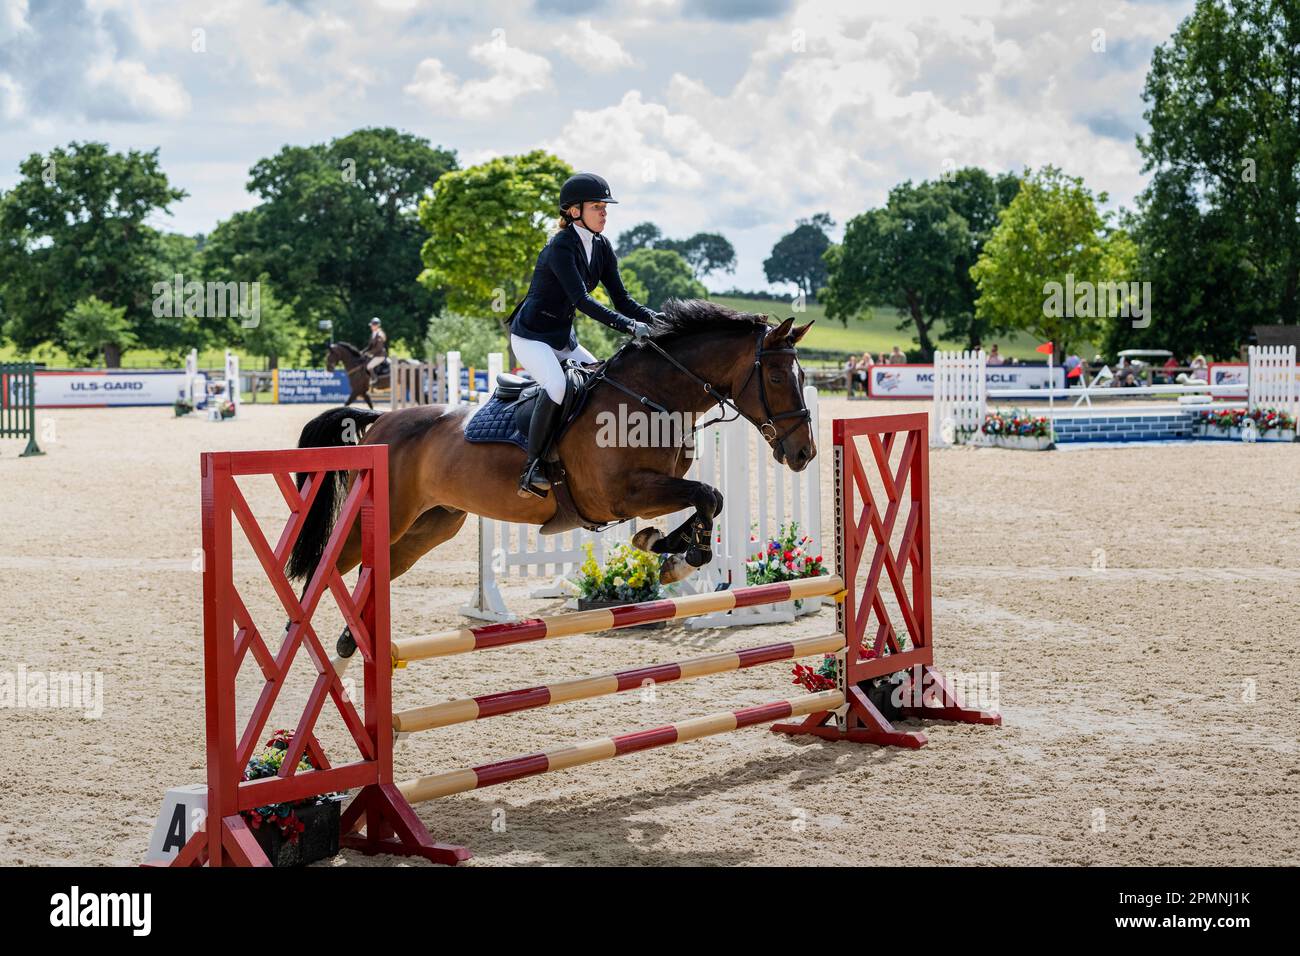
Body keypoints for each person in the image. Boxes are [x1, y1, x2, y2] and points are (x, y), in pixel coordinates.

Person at [509, 172, 658, 499]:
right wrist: (630, 327)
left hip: (563, 338)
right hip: (531, 336)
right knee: (558, 386)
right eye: (597, 206)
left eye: (605, 206)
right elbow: (582, 301)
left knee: (601, 382)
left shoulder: (602, 246)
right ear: (574, 211)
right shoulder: (560, 246)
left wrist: (657, 319)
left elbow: (623, 300)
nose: (604, 212)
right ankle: (532, 467)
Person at [364, 317, 387, 386]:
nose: (371, 326)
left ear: (377, 326)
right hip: (375, 355)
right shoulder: (373, 334)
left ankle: (374, 379)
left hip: (380, 355)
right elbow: (369, 346)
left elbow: (379, 348)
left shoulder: (380, 335)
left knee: (369, 366)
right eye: (371, 325)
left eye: (373, 325)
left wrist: (369, 353)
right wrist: (362, 352)